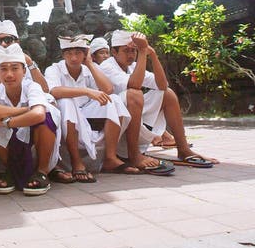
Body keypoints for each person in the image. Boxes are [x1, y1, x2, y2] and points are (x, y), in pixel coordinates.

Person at [99, 31, 216, 169]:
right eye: (126, 51)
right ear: (114, 52)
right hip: (111, 125)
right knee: (134, 94)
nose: (131, 55)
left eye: (133, 51)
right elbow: (134, 85)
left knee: (168, 94)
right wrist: (142, 52)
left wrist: (153, 55)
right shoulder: (107, 66)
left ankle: (183, 149)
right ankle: (134, 155)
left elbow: (162, 85)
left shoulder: (132, 66)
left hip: (132, 119)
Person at [46, 36, 136, 181]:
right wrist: (87, 91)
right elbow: (54, 91)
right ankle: (76, 162)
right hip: (65, 116)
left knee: (114, 100)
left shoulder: (89, 69)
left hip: (86, 113)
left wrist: (89, 63)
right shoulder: (54, 69)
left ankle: (110, 157)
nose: (74, 58)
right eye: (69, 53)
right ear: (63, 55)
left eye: (78, 53)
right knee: (67, 102)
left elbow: (108, 89)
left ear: (85, 54)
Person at [0, 43, 61, 195]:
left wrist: (8, 122)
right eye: (4, 69)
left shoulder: (32, 87)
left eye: (15, 68)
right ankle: (10, 170)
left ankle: (42, 172)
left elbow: (38, 114)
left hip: (35, 144)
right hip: (11, 145)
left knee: (47, 116)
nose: (9, 74)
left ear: (24, 71)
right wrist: (23, 110)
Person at [0, 19, 48, 95]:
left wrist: (30, 63)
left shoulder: (27, 64)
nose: (3, 44)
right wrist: (1, 71)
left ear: (17, 42)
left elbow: (45, 91)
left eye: (8, 40)